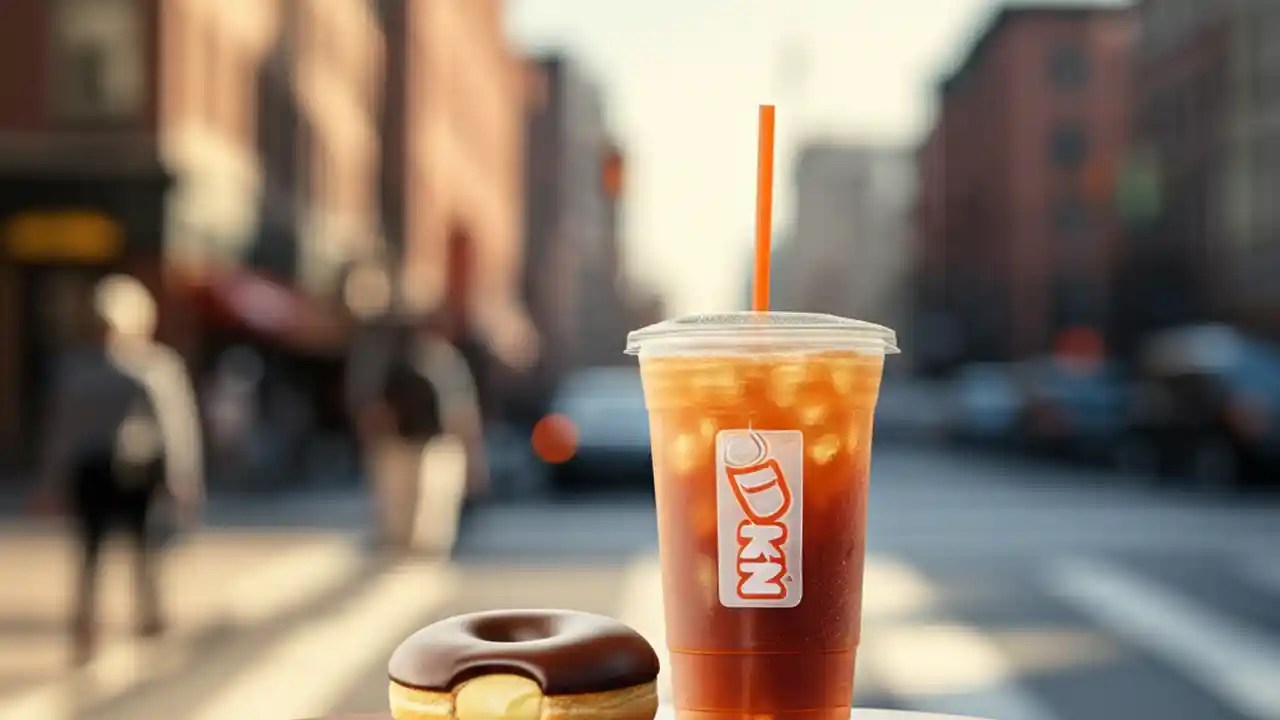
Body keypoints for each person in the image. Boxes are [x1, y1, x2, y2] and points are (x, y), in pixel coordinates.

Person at [38, 274, 203, 665]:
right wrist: (51, 481)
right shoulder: (135, 367)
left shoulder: (147, 366)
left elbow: (174, 427)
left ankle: (143, 616)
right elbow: (64, 430)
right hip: (102, 470)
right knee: (99, 552)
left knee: (138, 549)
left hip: (134, 470)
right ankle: (96, 623)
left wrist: (181, 476)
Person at [344, 264, 483, 554]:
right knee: (397, 499)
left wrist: (470, 448)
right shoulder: (391, 355)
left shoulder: (444, 359)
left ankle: (421, 547)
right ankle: (402, 545)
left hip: (435, 439)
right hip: (399, 438)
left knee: (431, 500)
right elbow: (371, 396)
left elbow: (461, 407)